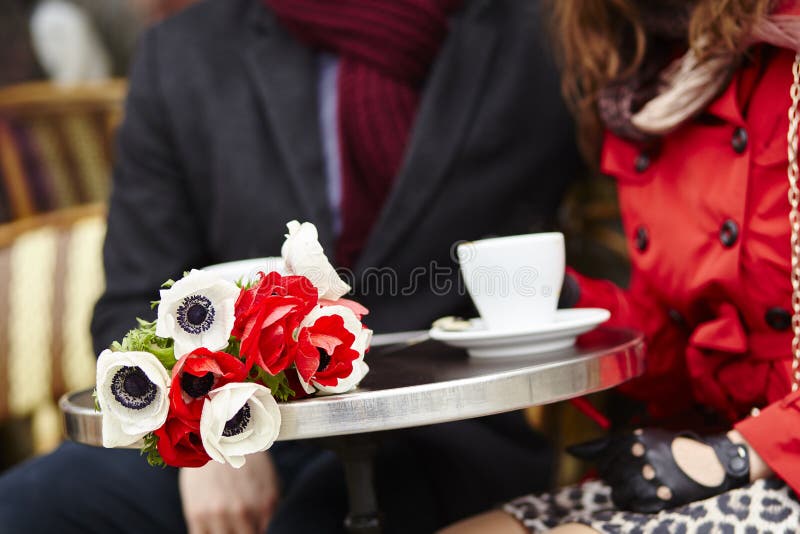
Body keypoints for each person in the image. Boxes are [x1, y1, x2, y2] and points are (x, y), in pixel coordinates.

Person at [0, 0, 581, 532]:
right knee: (26, 508)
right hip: (236, 422)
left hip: (446, 434)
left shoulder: (540, 34)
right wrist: (208, 431)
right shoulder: (184, 54)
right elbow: (133, 299)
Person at [442, 0, 800, 532]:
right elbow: (679, 361)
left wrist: (735, 456)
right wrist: (568, 304)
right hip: (702, 446)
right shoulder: (643, 87)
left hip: (774, 459)